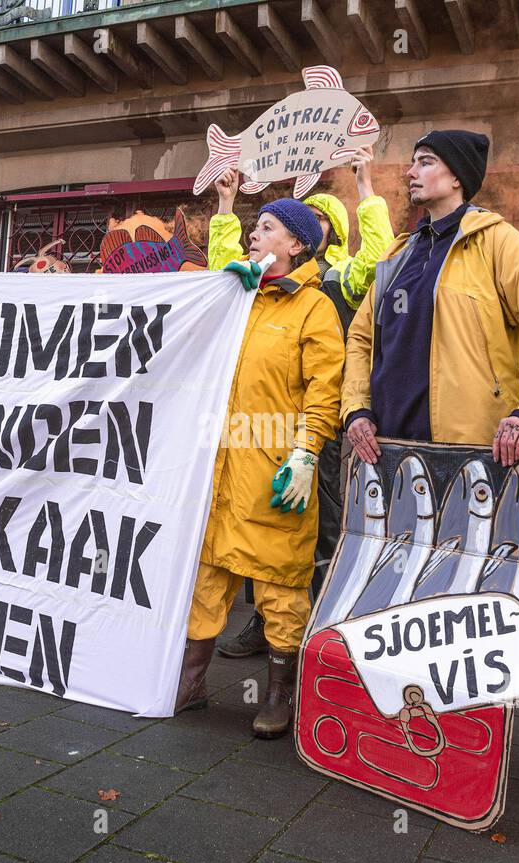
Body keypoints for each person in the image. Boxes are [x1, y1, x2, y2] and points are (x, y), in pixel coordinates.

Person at [206, 148, 397, 658]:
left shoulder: (339, 281)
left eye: (315, 218)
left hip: (315, 433)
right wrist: (226, 208)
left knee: (317, 530)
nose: (260, 234)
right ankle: (264, 627)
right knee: (251, 533)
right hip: (251, 438)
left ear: (316, 237)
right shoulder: (250, 285)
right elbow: (215, 278)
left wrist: (365, 191)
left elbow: (379, 257)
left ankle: (323, 625)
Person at [178, 198, 344, 737]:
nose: (254, 234)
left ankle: (278, 695)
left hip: (275, 470)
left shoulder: (314, 309)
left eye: (266, 227)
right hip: (222, 469)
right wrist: (221, 292)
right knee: (206, 580)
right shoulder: (237, 296)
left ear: (295, 244)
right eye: (254, 226)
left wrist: (306, 452)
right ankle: (191, 681)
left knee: (281, 585)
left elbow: (326, 388)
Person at [342, 130, 519, 466]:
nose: (411, 172)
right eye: (412, 163)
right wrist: (356, 409)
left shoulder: (497, 241)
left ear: (456, 177)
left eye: (425, 162)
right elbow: (362, 338)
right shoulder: (398, 254)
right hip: (386, 452)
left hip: (467, 455)